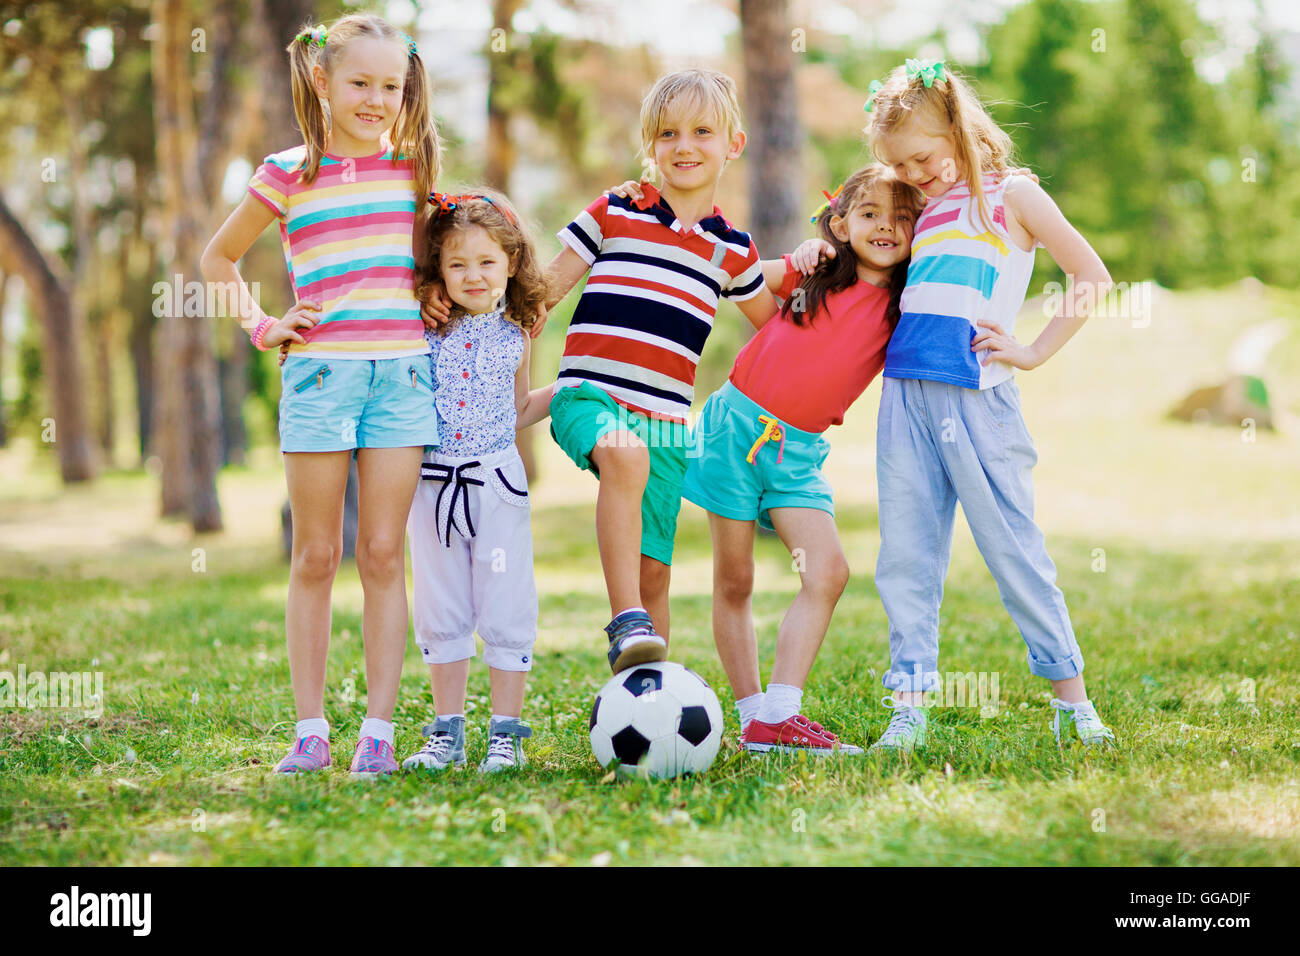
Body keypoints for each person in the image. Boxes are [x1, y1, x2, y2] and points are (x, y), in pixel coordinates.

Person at [200, 14, 440, 775]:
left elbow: (443, 255)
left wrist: (438, 294)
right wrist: (262, 325)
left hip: (402, 377)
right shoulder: (286, 172)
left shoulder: (415, 167)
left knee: (382, 553)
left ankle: (379, 732)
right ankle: (310, 731)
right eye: (360, 82)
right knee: (316, 553)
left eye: (390, 86)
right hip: (320, 378)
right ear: (322, 80)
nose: (376, 99)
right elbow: (217, 259)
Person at [861, 57, 1116, 751]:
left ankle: (1073, 702)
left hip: (979, 399)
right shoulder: (917, 208)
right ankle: (908, 708)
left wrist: (1032, 351)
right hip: (905, 396)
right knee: (907, 558)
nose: (912, 174)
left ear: (955, 127)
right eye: (898, 165)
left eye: (921, 158)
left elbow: (1091, 276)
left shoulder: (1015, 196)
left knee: (1013, 551)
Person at [542, 69, 778, 673]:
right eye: (668, 133)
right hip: (590, 396)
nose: (684, 146)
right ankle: (624, 619)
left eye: (702, 132)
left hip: (668, 422)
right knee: (623, 457)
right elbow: (541, 293)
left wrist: (816, 264)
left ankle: (649, 697)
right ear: (651, 144)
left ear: (734, 144)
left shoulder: (734, 251)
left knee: (654, 574)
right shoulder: (615, 210)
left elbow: (776, 331)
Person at [682, 166, 924, 755]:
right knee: (735, 579)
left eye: (901, 218)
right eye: (869, 214)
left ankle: (780, 711)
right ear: (840, 223)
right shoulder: (816, 271)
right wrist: (798, 257)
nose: (885, 227)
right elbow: (738, 278)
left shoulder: (906, 302)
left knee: (827, 573)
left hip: (798, 452)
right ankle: (755, 719)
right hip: (735, 429)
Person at [400, 190, 553, 773]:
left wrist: (573, 388)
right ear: (438, 269)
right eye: (457, 263)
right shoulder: (424, 325)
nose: (473, 275)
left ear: (511, 263)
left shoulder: (518, 330)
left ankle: (505, 734)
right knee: (440, 603)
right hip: (433, 484)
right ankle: (448, 732)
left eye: (487, 262)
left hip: (497, 484)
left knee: (506, 601)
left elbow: (518, 409)